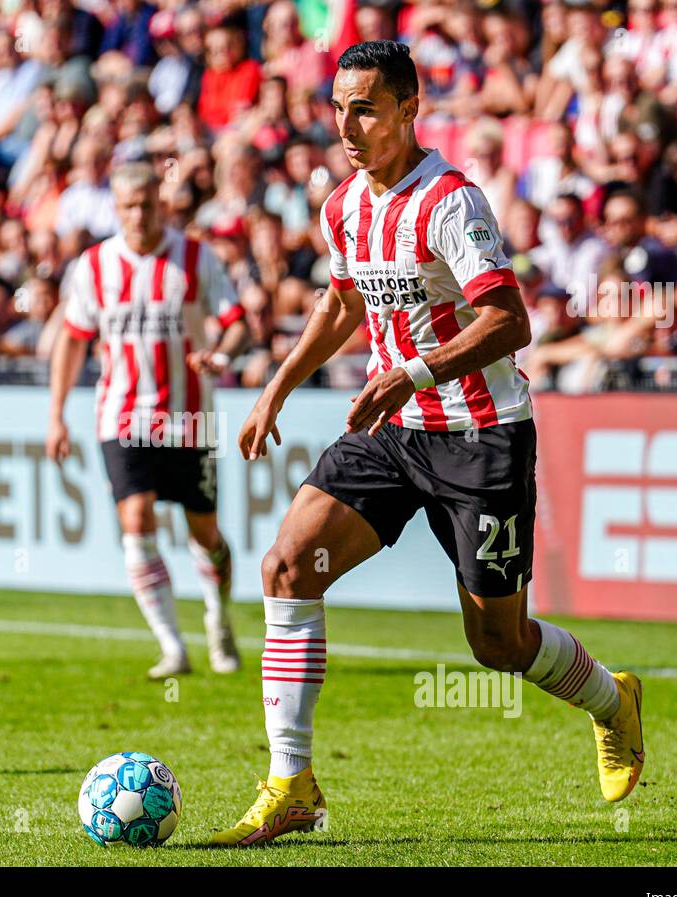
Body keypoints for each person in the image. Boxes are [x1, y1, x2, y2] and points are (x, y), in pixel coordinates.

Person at [213, 41, 646, 846]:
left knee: (499, 644)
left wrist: (413, 371)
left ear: (411, 111)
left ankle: (612, 701)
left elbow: (510, 320)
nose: (346, 123)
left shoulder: (451, 202)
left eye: (366, 107)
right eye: (338, 106)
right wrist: (277, 386)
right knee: (287, 563)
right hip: (392, 429)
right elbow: (343, 304)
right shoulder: (343, 203)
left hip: (481, 436)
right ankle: (291, 783)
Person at [46, 161, 252, 680]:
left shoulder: (195, 257)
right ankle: (171, 645)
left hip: (190, 418)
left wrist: (222, 355)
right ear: (115, 208)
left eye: (146, 204)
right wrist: (56, 415)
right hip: (122, 414)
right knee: (135, 518)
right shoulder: (94, 267)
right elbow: (72, 340)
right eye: (128, 206)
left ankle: (218, 616)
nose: (138, 215)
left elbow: (237, 324)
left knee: (203, 532)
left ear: (161, 202)